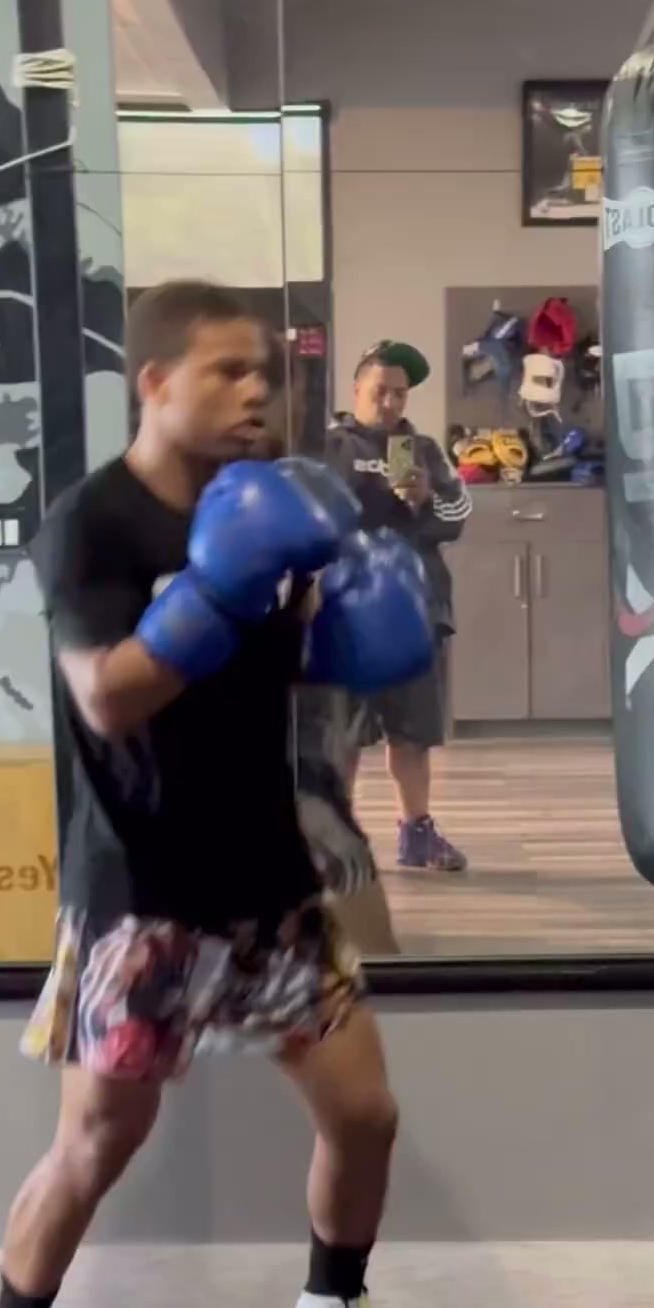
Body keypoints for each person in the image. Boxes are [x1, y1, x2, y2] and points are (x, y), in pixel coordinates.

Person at [0, 281, 438, 1308]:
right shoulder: (96, 524)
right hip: (142, 883)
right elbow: (108, 695)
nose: (257, 395)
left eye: (266, 375)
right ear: (157, 383)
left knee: (365, 1115)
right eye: (228, 372)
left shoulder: (279, 509)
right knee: (98, 1138)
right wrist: (220, 588)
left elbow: (303, 676)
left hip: (268, 873)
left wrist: (353, 628)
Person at [254, 336, 401, 956]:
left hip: (298, 737)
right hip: (208, 760)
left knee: (340, 851)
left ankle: (384, 988)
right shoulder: (160, 509)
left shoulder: (304, 484)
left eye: (285, 390)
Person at [326, 340, 470, 873]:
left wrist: (422, 498)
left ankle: (417, 834)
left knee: (413, 733)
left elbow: (457, 513)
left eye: (400, 394)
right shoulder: (326, 448)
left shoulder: (426, 450)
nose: (390, 403)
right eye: (380, 390)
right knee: (343, 736)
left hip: (415, 612)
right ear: (357, 389)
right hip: (345, 615)